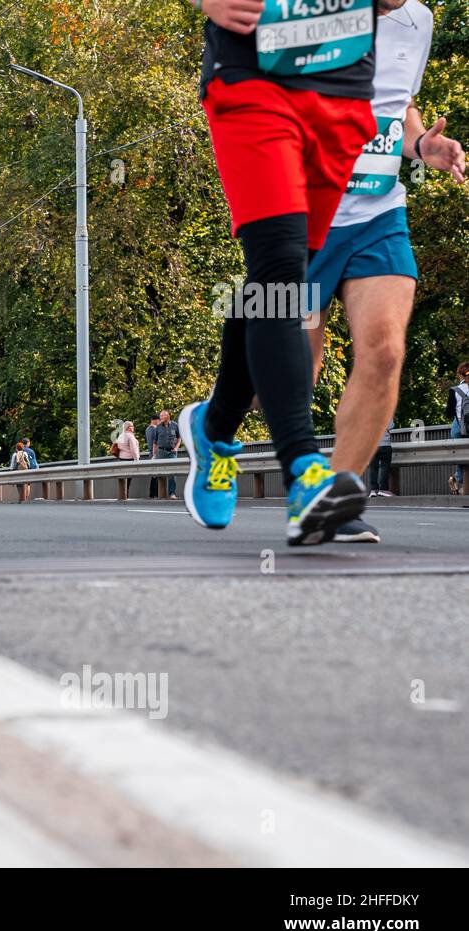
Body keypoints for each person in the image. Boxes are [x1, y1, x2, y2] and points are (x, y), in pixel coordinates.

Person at [181, 0, 378, 546]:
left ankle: (215, 426)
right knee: (283, 276)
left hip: (341, 84)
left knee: (276, 281)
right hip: (253, 74)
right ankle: (303, 472)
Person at [305, 0, 461, 542]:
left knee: (386, 349)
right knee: (291, 372)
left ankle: (332, 500)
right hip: (297, 215)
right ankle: (214, 421)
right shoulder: (299, 12)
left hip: (377, 212)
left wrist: (420, 145)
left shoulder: (418, 20)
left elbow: (400, 100)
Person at [449, 361, 469, 494]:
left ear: (459, 375)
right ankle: (461, 483)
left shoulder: (454, 390)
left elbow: (449, 412)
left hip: (459, 427)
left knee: (462, 456)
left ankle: (458, 479)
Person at [152, 409, 180, 500]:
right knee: (160, 472)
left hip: (172, 452)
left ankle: (172, 493)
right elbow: (155, 442)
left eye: (162, 416)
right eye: (160, 416)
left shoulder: (175, 425)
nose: (161, 417)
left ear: (168, 416)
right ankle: (161, 493)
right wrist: (154, 454)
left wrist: (176, 448)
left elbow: (179, 438)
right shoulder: (158, 427)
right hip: (161, 451)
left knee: (172, 473)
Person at [368, 420, 395, 500]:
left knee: (373, 468)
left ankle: (373, 490)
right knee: (384, 467)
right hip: (384, 444)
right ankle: (383, 489)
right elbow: (391, 426)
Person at [144, 414, 160, 498]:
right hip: (154, 453)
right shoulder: (154, 429)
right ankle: (154, 493)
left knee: (154, 474)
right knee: (156, 475)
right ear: (155, 420)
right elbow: (155, 442)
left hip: (151, 453)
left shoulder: (147, 429)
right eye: (159, 420)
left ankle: (153, 493)